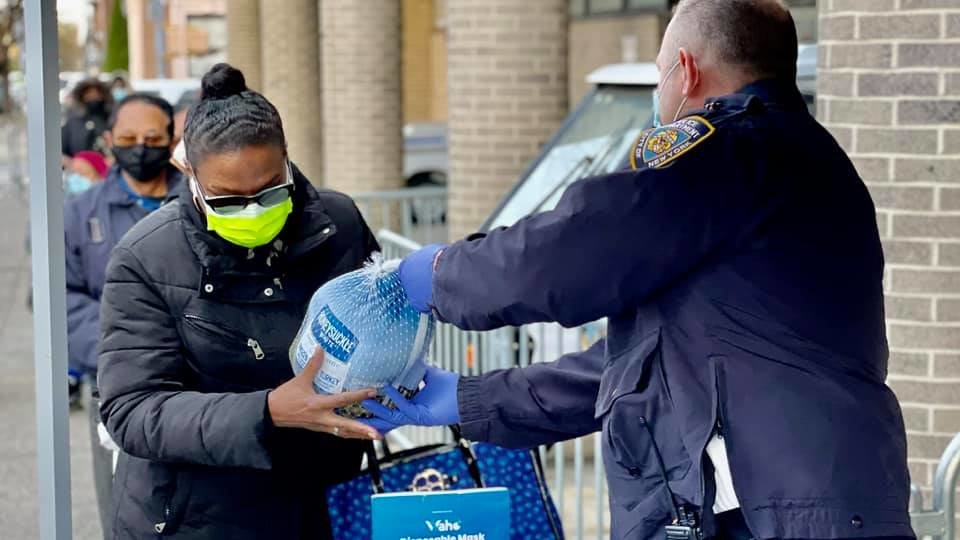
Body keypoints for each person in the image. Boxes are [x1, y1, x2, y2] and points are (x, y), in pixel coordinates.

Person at [363, 1, 914, 539]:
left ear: (686, 71)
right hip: (812, 503)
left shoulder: (732, 154)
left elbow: (569, 253)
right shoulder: (800, 162)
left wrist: (435, 276)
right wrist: (470, 399)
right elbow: (641, 370)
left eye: (659, 73)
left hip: (778, 514)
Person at [96, 63, 382, 539]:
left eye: (269, 192)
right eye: (227, 200)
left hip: (324, 501)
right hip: (196, 517)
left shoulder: (339, 223)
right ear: (191, 175)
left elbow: (375, 329)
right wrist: (266, 412)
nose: (251, 210)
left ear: (286, 160)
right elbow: (132, 410)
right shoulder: (147, 257)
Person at [64, 92, 182, 538]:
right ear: (110, 140)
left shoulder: (200, 200)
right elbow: (62, 298)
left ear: (171, 140)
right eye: (128, 139)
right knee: (127, 508)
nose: (141, 148)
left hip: (197, 385)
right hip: (116, 388)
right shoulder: (80, 213)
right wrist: (125, 351)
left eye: (152, 138)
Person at [61, 78, 112, 158]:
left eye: (97, 94)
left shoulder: (112, 120)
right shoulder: (73, 123)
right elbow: (62, 151)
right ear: (81, 97)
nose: (93, 97)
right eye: (89, 94)